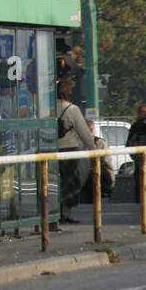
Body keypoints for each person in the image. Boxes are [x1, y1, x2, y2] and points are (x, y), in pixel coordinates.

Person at [54, 80, 94, 225]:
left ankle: (54, 213)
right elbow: (84, 133)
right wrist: (94, 149)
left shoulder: (48, 108)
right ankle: (67, 213)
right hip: (69, 150)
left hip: (50, 150)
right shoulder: (72, 109)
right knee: (70, 182)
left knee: (53, 183)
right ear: (69, 93)